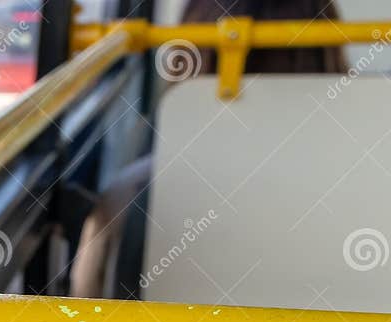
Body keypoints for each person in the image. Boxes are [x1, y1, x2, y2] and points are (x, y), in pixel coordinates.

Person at [69, 0, 347, 299]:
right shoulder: (358, 181)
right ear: (328, 59)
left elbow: (86, 300)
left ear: (190, 61)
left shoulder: (131, 195)